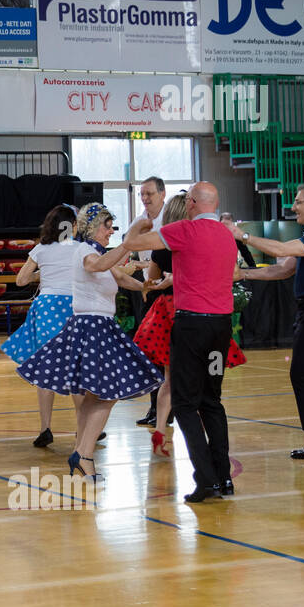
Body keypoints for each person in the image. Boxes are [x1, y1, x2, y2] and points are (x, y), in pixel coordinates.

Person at [15, 202, 160, 482]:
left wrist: (146, 286)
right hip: (92, 327)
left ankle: (82, 453)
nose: (111, 232)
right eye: (108, 227)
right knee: (108, 393)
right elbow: (101, 265)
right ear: (95, 227)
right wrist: (129, 243)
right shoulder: (84, 251)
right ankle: (84, 455)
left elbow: (118, 275)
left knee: (97, 395)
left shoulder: (96, 251)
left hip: (99, 326)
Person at [124, 181, 240, 503]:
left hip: (191, 327)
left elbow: (133, 243)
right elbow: (234, 274)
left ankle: (205, 479)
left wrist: (141, 223)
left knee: (186, 404)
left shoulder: (183, 230)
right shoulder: (227, 235)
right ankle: (224, 478)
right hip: (221, 329)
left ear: (190, 203)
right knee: (212, 402)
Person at [224, 183, 304, 460]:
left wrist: (241, 235)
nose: (293, 207)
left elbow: (278, 247)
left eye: (298, 202)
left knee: (301, 374)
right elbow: (283, 269)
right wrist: (243, 275)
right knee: (302, 374)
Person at [1, 204, 78, 448]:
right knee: (76, 369)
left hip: (46, 309)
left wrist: (41, 274)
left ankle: (45, 428)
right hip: (73, 308)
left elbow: (20, 279)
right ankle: (85, 428)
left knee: (46, 371)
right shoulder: (80, 249)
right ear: (72, 226)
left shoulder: (41, 249)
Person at [134, 178, 167, 427]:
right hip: (150, 288)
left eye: (150, 193)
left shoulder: (169, 219)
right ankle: (155, 407)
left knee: (165, 354)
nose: (145, 198)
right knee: (150, 353)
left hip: (167, 290)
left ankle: (166, 407)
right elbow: (130, 247)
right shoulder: (140, 220)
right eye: (142, 194)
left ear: (162, 194)